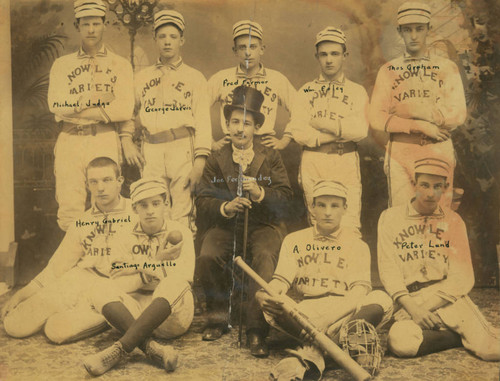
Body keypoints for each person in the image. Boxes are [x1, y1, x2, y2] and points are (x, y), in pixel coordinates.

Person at [257, 180, 393, 380]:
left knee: (381, 298)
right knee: (274, 303)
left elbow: (358, 294)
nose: (328, 212)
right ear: (312, 207)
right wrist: (263, 294)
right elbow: (280, 282)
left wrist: (328, 321)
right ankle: (342, 349)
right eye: (321, 205)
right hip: (306, 312)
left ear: (345, 208)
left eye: (334, 206)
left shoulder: (357, 244)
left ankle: (314, 355)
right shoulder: (294, 240)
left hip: (346, 313)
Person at [196, 85, 293, 356]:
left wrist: (260, 193)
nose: (240, 129)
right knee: (208, 254)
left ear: (256, 127)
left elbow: (286, 198)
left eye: (247, 123)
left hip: (264, 225)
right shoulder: (216, 159)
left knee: (263, 255)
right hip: (226, 224)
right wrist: (226, 206)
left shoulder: (271, 156)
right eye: (235, 122)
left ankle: (256, 329)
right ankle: (217, 319)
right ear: (227, 125)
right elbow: (202, 200)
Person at [2, 157, 136, 344]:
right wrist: (21, 294)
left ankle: (106, 317)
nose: (100, 188)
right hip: (83, 277)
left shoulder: (136, 213)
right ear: (87, 185)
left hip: (115, 285)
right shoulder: (82, 221)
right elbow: (57, 267)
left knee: (56, 330)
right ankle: (70, 307)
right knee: (14, 324)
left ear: (119, 182)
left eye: (107, 180)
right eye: (94, 182)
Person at [378, 158, 500, 361]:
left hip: (445, 296)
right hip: (408, 299)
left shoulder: (453, 220)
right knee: (401, 344)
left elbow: (462, 277)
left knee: (491, 350)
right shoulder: (390, 218)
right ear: (414, 184)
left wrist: (421, 310)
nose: (429, 193)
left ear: (445, 188)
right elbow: (388, 269)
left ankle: (464, 330)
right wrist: (411, 307)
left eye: (437, 187)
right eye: (424, 185)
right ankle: (455, 336)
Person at [83, 177, 195, 376]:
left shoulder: (182, 232)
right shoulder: (123, 234)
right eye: (143, 205)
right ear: (134, 208)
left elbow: (183, 277)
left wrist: (139, 266)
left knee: (174, 282)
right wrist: (154, 268)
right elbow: (118, 282)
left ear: (166, 205)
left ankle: (118, 349)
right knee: (98, 286)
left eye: (156, 203)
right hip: (133, 315)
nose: (150, 210)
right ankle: (152, 349)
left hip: (171, 318)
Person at [120, 10, 211, 234]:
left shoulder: (195, 77)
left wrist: (200, 161)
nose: (167, 42)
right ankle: (159, 264)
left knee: (182, 211)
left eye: (172, 36)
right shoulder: (141, 77)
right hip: (150, 148)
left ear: (182, 40)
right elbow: (128, 114)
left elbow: (203, 121)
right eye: (162, 36)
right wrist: (126, 140)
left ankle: (182, 266)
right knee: (153, 206)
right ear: (155, 40)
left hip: (182, 146)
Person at [369, 1, 466, 207]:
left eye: (419, 29)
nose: (413, 36)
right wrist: (418, 125)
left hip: (437, 148)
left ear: (429, 29)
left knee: (438, 217)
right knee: (402, 216)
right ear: (400, 31)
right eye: (407, 30)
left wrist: (419, 112)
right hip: (402, 150)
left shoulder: (446, 67)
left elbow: (458, 113)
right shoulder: (388, 70)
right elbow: (376, 118)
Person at [47, 0, 134, 231]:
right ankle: (76, 264)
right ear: (77, 26)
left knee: (106, 203)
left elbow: (124, 109)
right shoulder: (62, 65)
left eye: (96, 23)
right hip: (70, 140)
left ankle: (105, 264)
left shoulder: (120, 64)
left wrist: (76, 108)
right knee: (69, 207)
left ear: (104, 24)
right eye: (86, 24)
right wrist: (93, 99)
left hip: (103, 138)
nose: (92, 29)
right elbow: (55, 105)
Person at [291, 27, 369, 232]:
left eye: (335, 54)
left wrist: (324, 125)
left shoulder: (356, 91)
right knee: (319, 225)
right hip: (314, 160)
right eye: (324, 54)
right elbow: (299, 132)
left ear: (345, 55)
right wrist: (333, 135)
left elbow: (361, 130)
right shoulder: (305, 91)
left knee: (350, 224)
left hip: (345, 160)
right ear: (317, 56)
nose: (329, 60)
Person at [208, 20, 297, 151]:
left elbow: (300, 108)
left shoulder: (276, 78)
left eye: (253, 47)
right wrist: (210, 142)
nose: (248, 53)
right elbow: (198, 110)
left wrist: (285, 140)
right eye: (242, 47)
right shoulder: (221, 78)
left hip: (263, 146)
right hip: (231, 146)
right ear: (235, 51)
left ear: (262, 49)